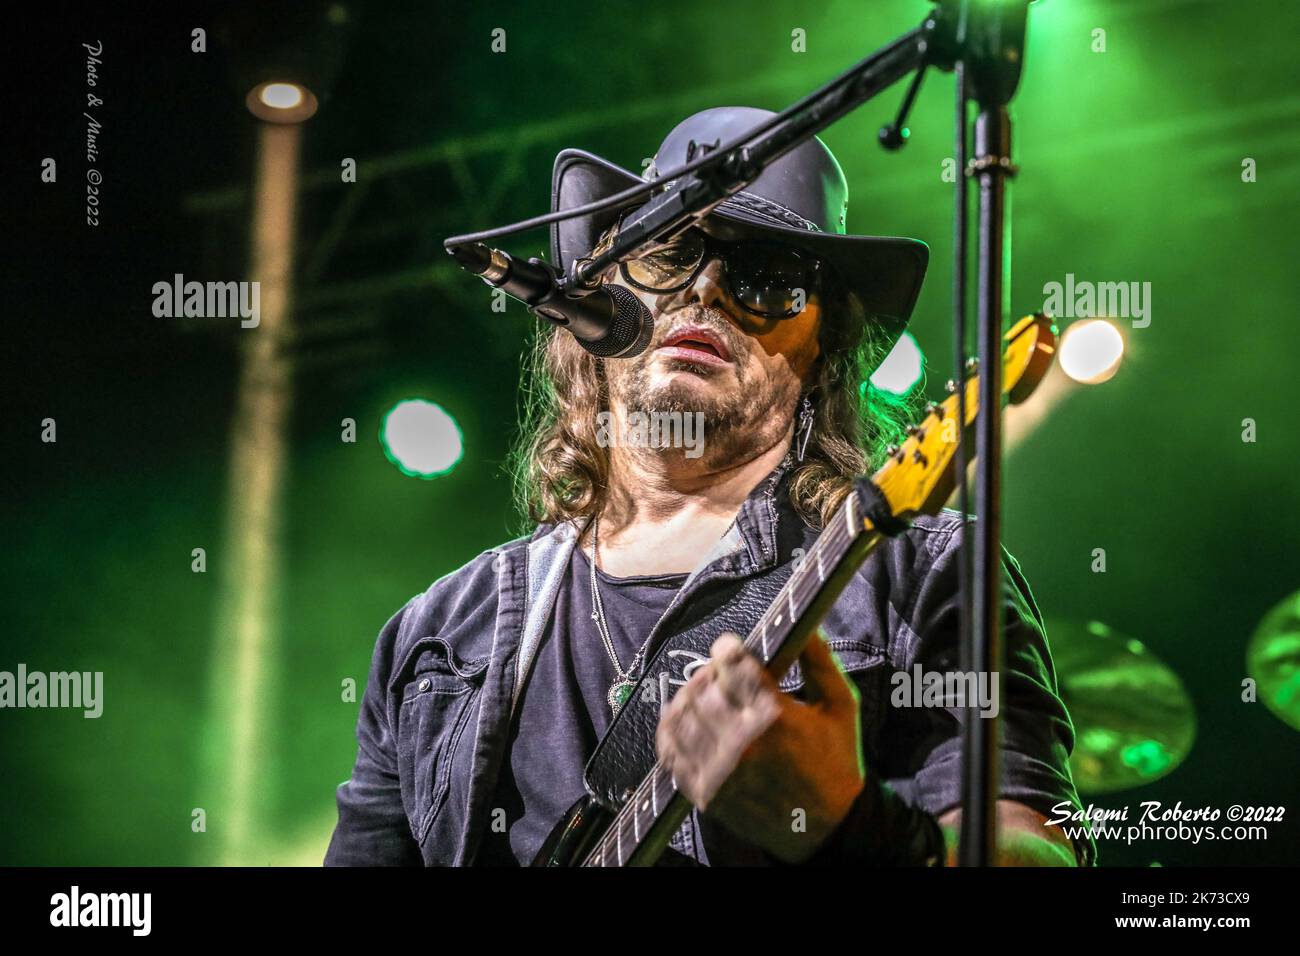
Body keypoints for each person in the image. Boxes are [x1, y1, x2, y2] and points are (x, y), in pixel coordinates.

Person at [325, 107, 1094, 867]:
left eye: (768, 277)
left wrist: (849, 828)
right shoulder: (437, 634)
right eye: (668, 252)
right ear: (598, 293)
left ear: (824, 351)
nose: (707, 291)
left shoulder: (917, 573)